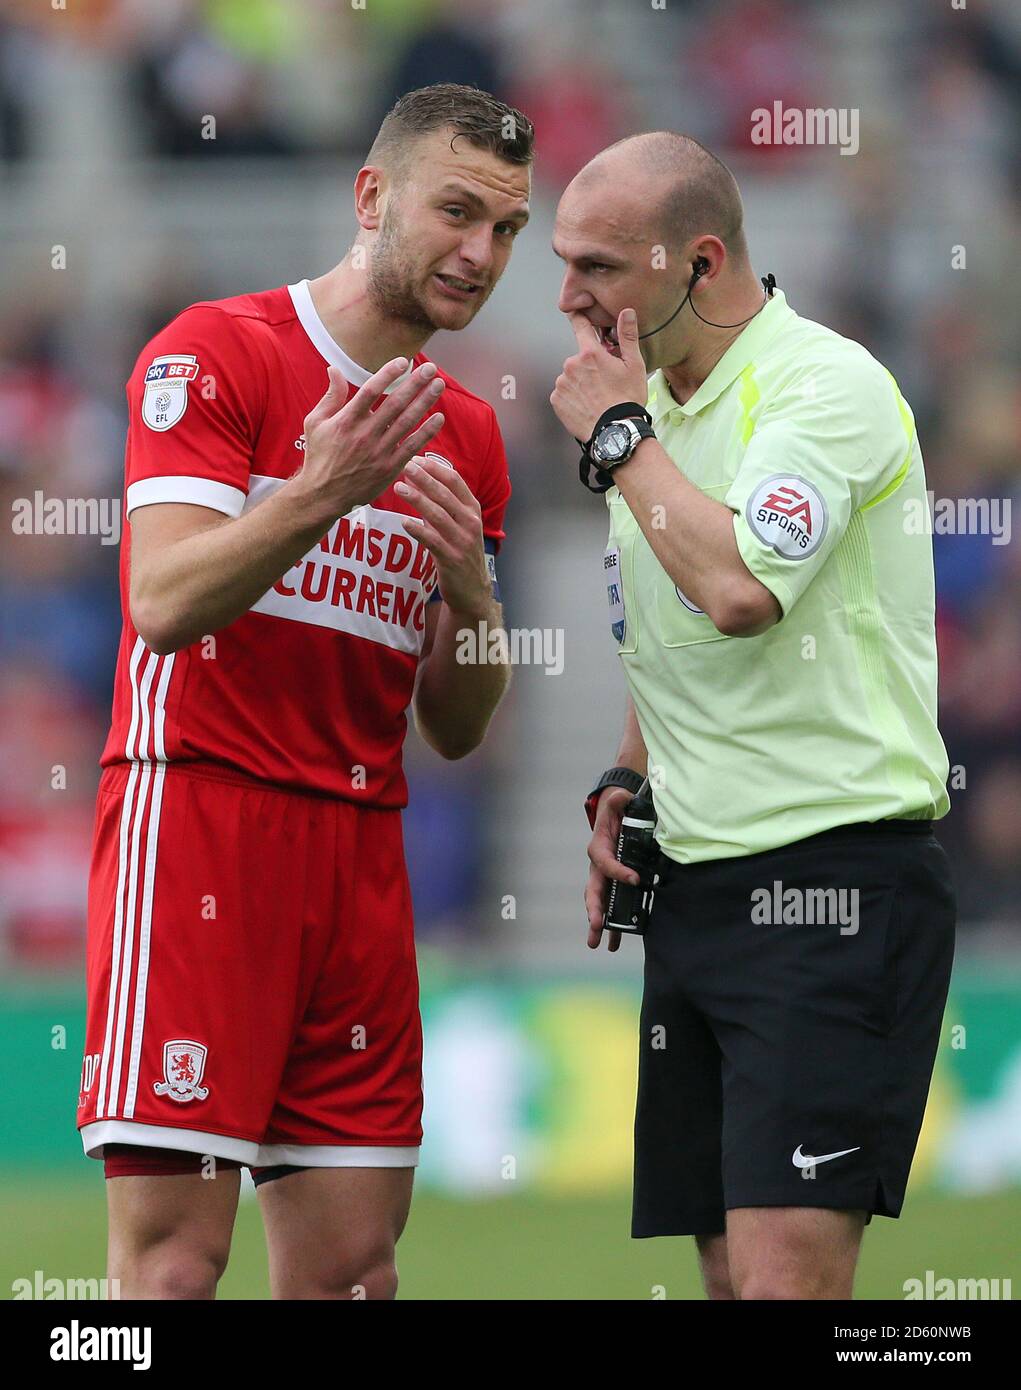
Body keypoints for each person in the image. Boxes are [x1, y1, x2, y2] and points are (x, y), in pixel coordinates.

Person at [77, 83, 533, 1300]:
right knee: (169, 1270)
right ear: (371, 197)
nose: (480, 253)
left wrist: (478, 610)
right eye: (457, 212)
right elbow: (164, 603)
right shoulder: (216, 352)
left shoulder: (470, 438)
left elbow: (455, 724)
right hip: (203, 826)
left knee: (354, 1275)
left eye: (506, 231)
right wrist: (317, 491)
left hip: (359, 848)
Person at [550, 132, 955, 1300]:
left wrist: (621, 440)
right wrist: (626, 784)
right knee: (729, 1281)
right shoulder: (658, 408)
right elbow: (666, 626)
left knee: (787, 1288)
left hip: (830, 880)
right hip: (698, 885)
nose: (569, 296)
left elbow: (734, 591)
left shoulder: (822, 385)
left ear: (701, 260)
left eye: (600, 267)